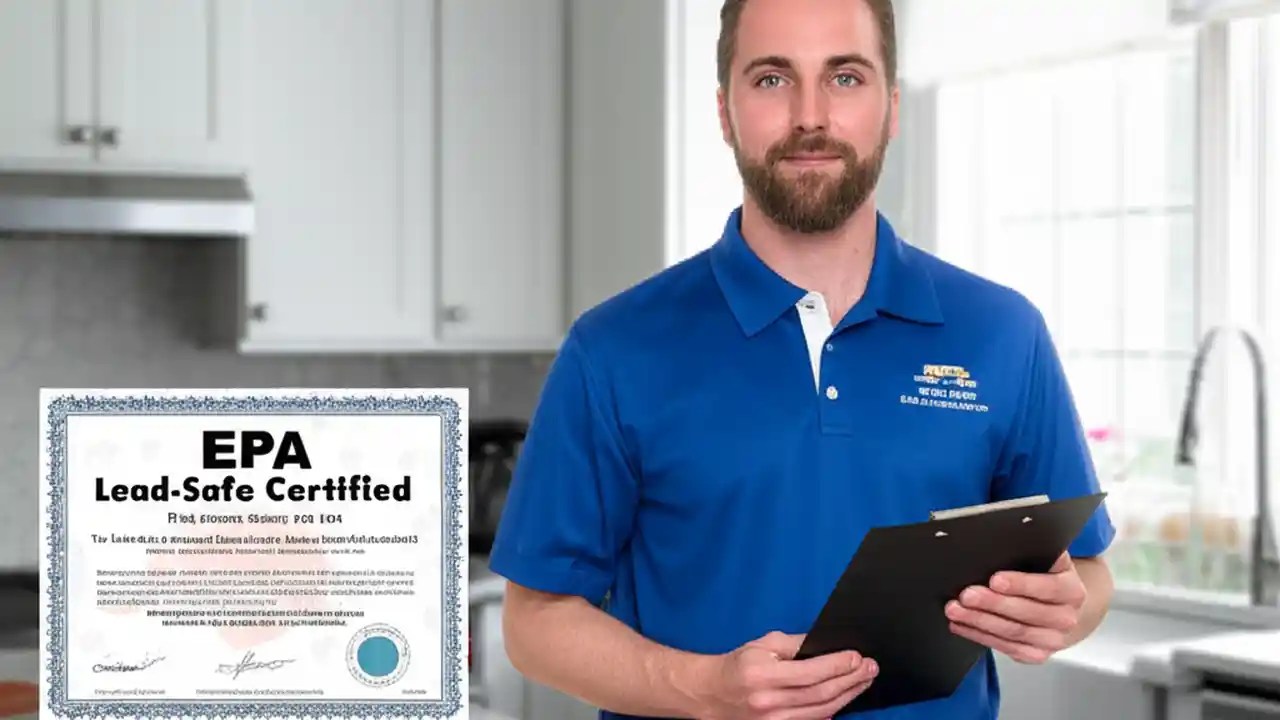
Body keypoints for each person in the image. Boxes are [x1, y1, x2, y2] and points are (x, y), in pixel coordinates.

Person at [488, 0, 1117, 717]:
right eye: (772, 79)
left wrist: (1061, 608)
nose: (811, 116)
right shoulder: (612, 348)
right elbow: (533, 621)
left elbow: (1088, 576)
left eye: (846, 78)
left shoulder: (1004, 332)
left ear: (892, 106)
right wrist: (704, 690)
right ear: (725, 111)